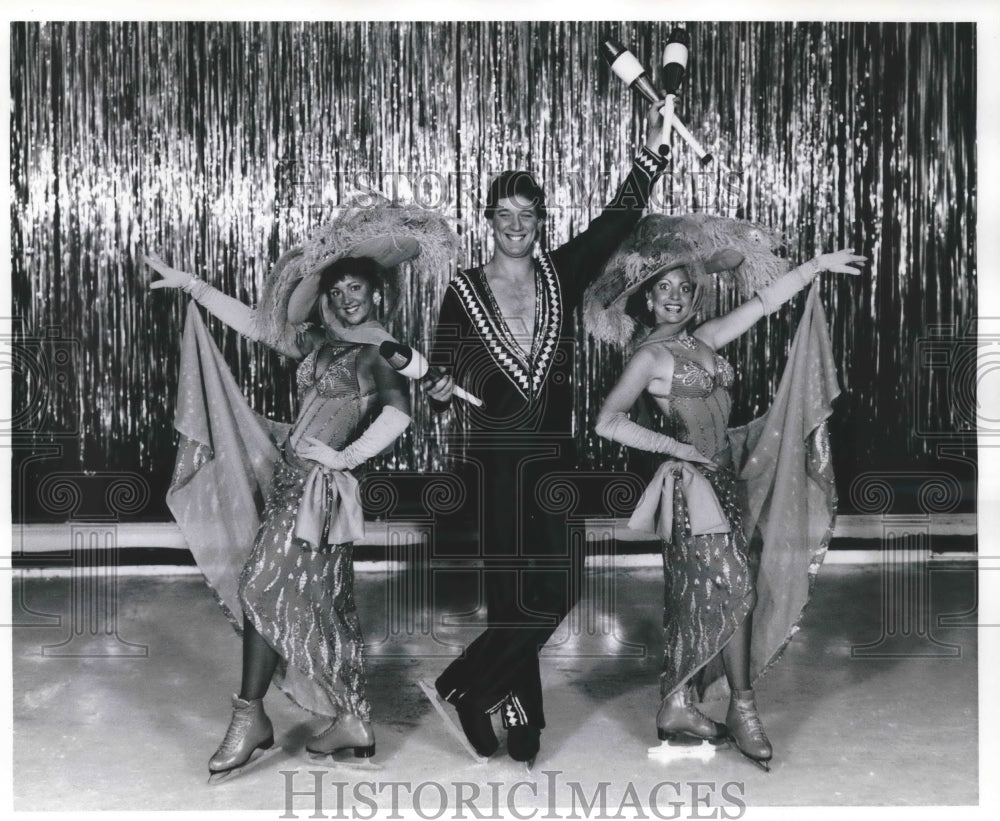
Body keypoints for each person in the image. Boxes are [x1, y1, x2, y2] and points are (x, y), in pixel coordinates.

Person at [144, 205, 457, 781]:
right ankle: (353, 720)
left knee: (260, 585)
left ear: (375, 293)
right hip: (291, 484)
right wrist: (194, 286)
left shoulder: (379, 351)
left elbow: (398, 414)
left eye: (356, 288)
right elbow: (258, 325)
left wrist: (345, 458)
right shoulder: (319, 342)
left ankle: (250, 716)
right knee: (324, 608)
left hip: (317, 492)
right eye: (335, 290)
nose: (345, 300)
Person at [423, 103, 671, 765]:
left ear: (539, 223)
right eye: (502, 216)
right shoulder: (463, 292)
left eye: (525, 216)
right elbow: (439, 372)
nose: (514, 227)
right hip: (496, 462)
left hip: (555, 461)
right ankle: (517, 711)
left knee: (561, 586)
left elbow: (615, 222)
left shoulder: (562, 273)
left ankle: (468, 685)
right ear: (489, 221)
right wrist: (441, 389)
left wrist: (653, 153)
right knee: (510, 591)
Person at [588, 216, 864, 769]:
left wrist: (814, 268)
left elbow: (763, 304)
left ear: (694, 296)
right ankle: (741, 707)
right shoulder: (649, 357)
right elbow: (607, 421)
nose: (674, 297)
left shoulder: (704, 339)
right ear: (647, 299)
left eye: (684, 287)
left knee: (703, 596)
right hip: (693, 494)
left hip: (724, 487)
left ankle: (677, 703)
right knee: (736, 590)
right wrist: (677, 450)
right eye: (662, 288)